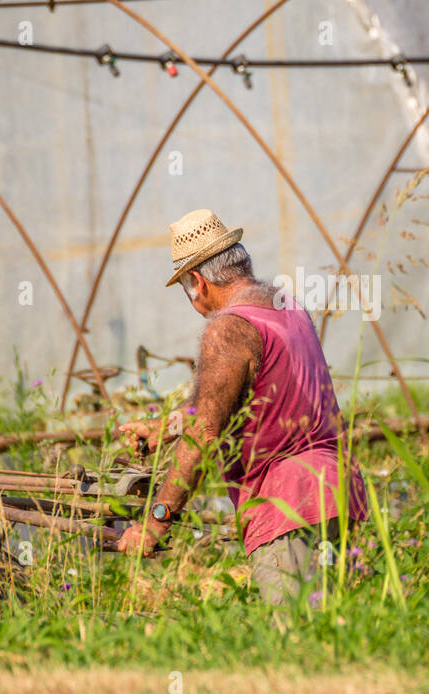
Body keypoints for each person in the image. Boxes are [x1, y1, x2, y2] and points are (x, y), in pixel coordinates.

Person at [116, 208, 366, 604]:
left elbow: (205, 433)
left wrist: (157, 522)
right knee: (331, 638)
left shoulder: (227, 328)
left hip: (289, 504)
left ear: (197, 282)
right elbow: (233, 398)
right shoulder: (287, 308)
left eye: (185, 288)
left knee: (295, 640)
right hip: (336, 491)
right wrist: (167, 426)